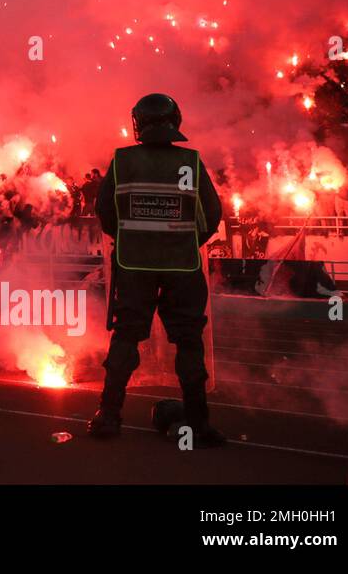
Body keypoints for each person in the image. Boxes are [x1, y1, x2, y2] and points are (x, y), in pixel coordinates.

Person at [88, 93, 226, 447]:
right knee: (189, 341)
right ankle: (199, 424)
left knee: (125, 337)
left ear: (138, 124)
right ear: (175, 121)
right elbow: (211, 215)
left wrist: (131, 238)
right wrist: (185, 242)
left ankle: (108, 415)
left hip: (134, 267)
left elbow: (105, 211)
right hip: (182, 266)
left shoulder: (123, 161)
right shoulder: (190, 162)